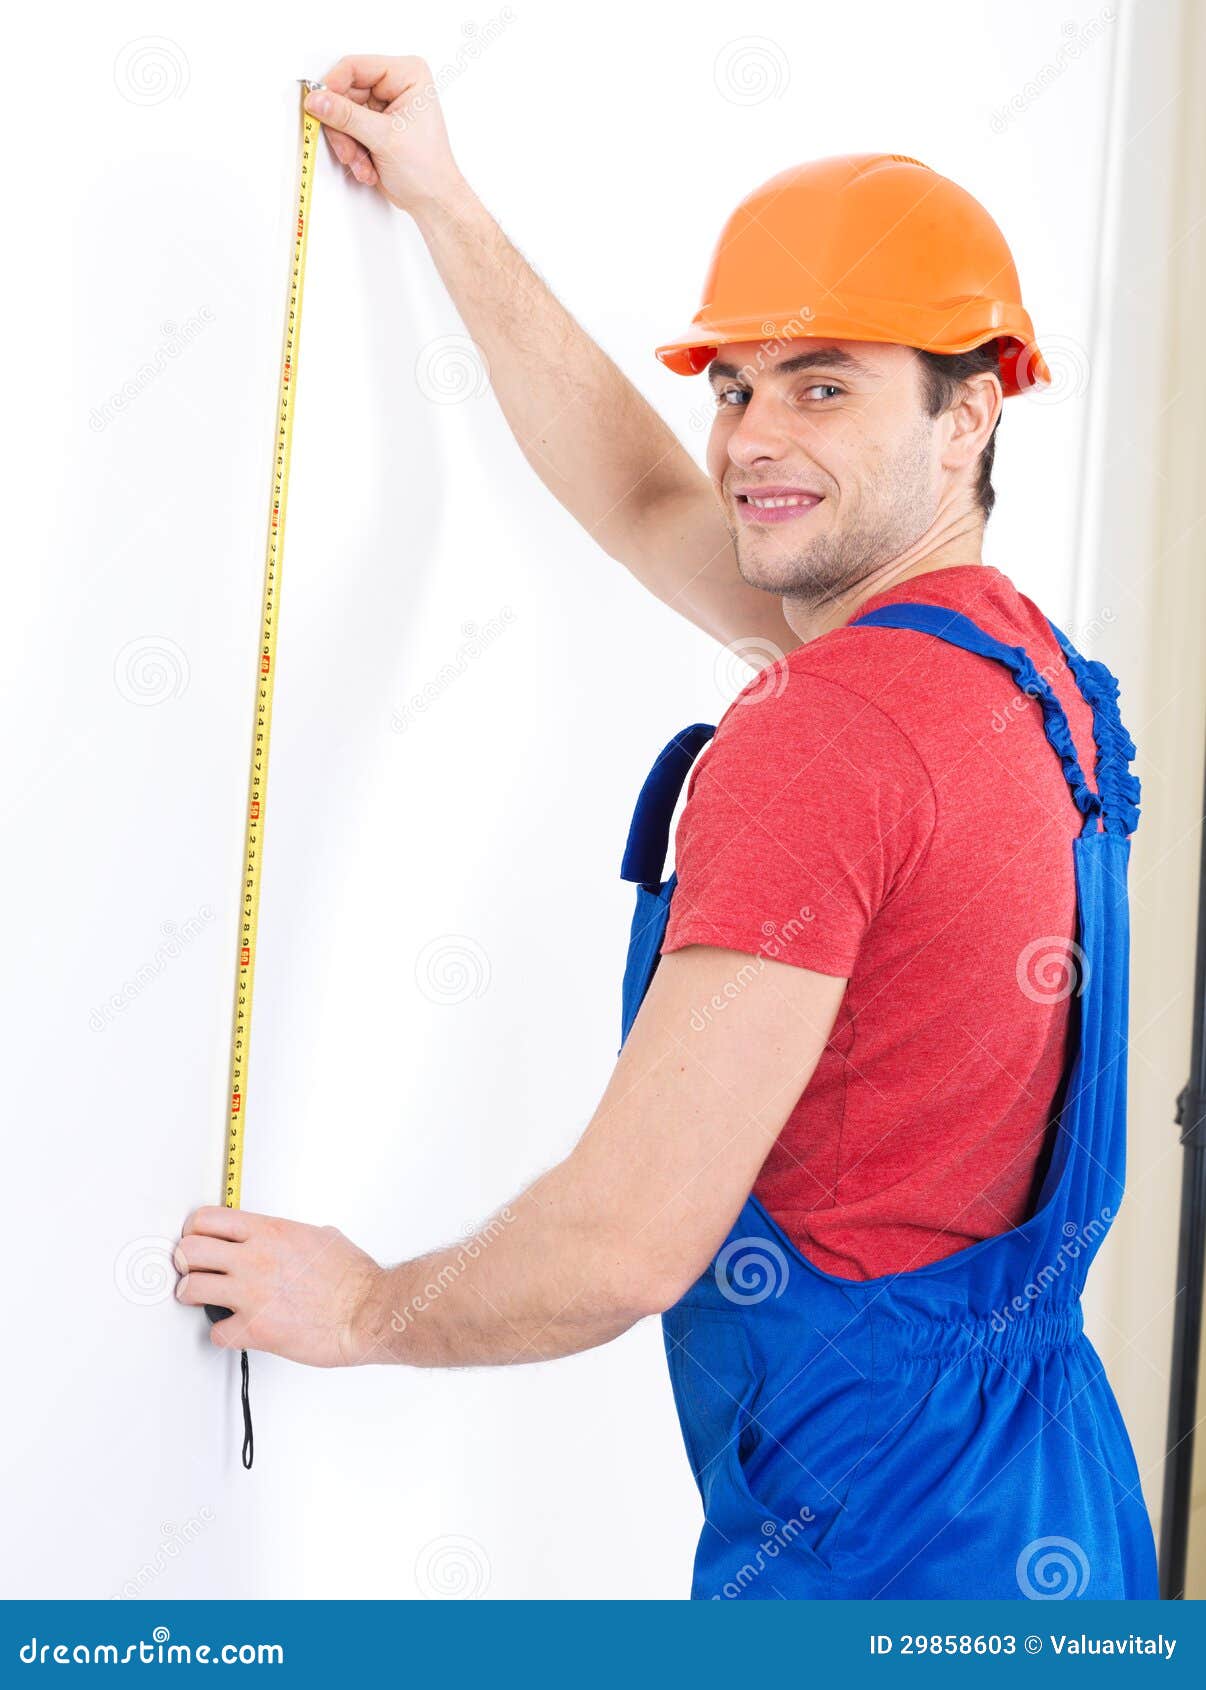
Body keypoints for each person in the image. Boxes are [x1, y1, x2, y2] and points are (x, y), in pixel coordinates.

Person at [176, 56, 1158, 1600]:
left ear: (967, 412)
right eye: (733, 385)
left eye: (822, 382)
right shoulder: (1031, 684)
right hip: (1056, 1511)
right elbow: (648, 505)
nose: (751, 436)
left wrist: (366, 1308)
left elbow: (622, 1245)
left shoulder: (827, 734)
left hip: (874, 1556)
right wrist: (443, 199)